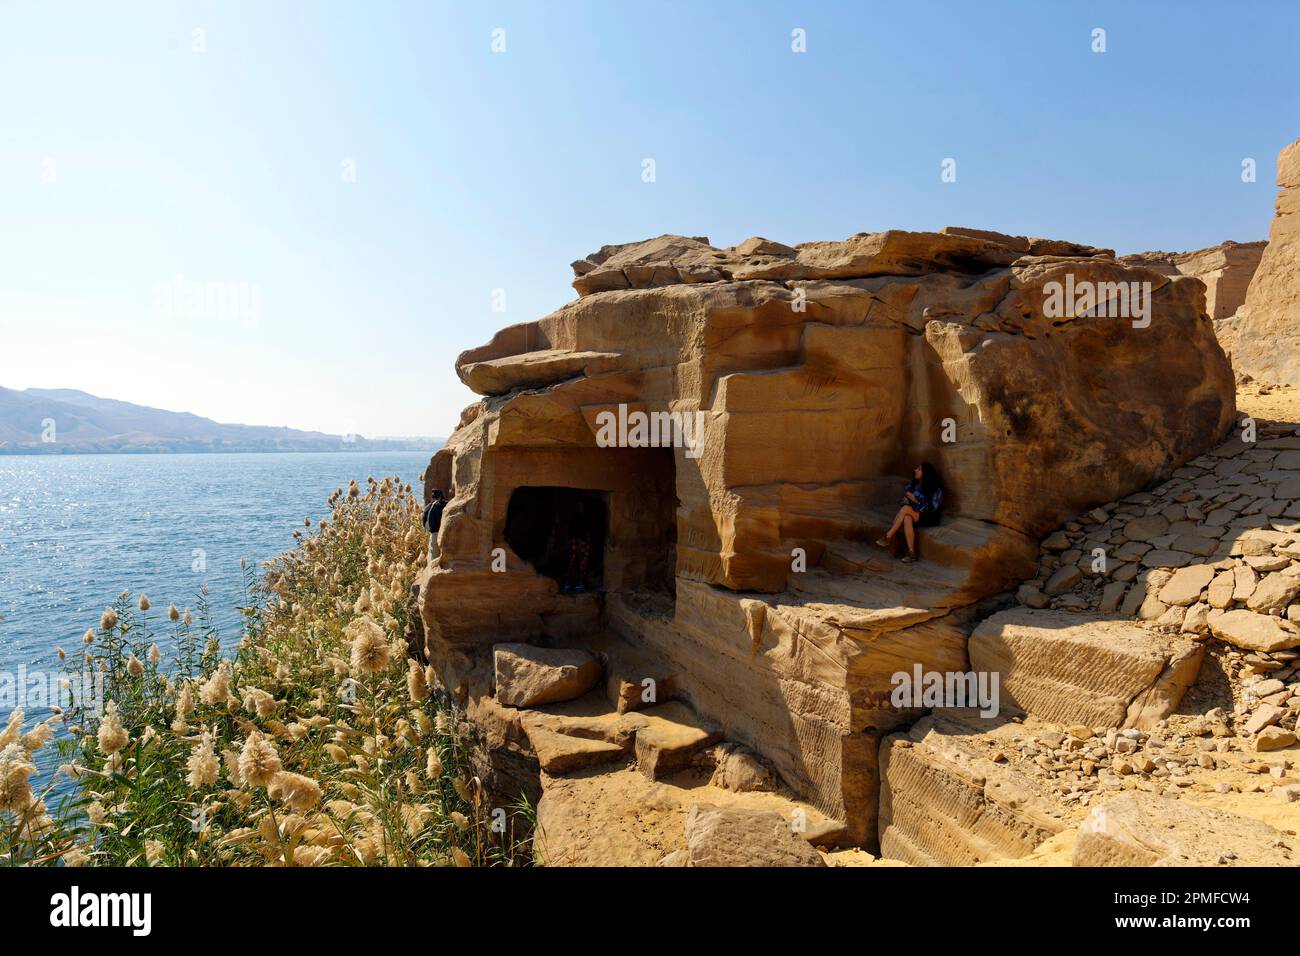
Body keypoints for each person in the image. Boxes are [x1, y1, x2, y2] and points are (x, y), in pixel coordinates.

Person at [876, 463, 943, 563]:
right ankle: (911, 553)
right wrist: (906, 501)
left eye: (919, 469)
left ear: (926, 473)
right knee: (907, 517)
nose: (915, 470)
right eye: (916, 468)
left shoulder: (936, 489)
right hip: (913, 513)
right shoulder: (913, 484)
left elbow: (932, 508)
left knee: (906, 510)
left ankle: (888, 536)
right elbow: (903, 502)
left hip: (929, 517)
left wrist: (916, 501)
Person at [561, 500, 592, 593]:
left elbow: (590, 532)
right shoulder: (574, 517)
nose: (580, 508)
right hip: (574, 541)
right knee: (572, 561)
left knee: (583, 563)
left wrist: (587, 541)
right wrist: (569, 541)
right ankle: (570, 582)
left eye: (582, 506)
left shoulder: (588, 518)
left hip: (584, 542)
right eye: (579, 506)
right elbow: (569, 531)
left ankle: (581, 582)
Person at [422, 489, 449, 561]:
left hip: (433, 534)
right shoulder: (444, 504)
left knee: (434, 559)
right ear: (441, 496)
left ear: (432, 497)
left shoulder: (427, 507)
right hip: (444, 534)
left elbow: (424, 522)